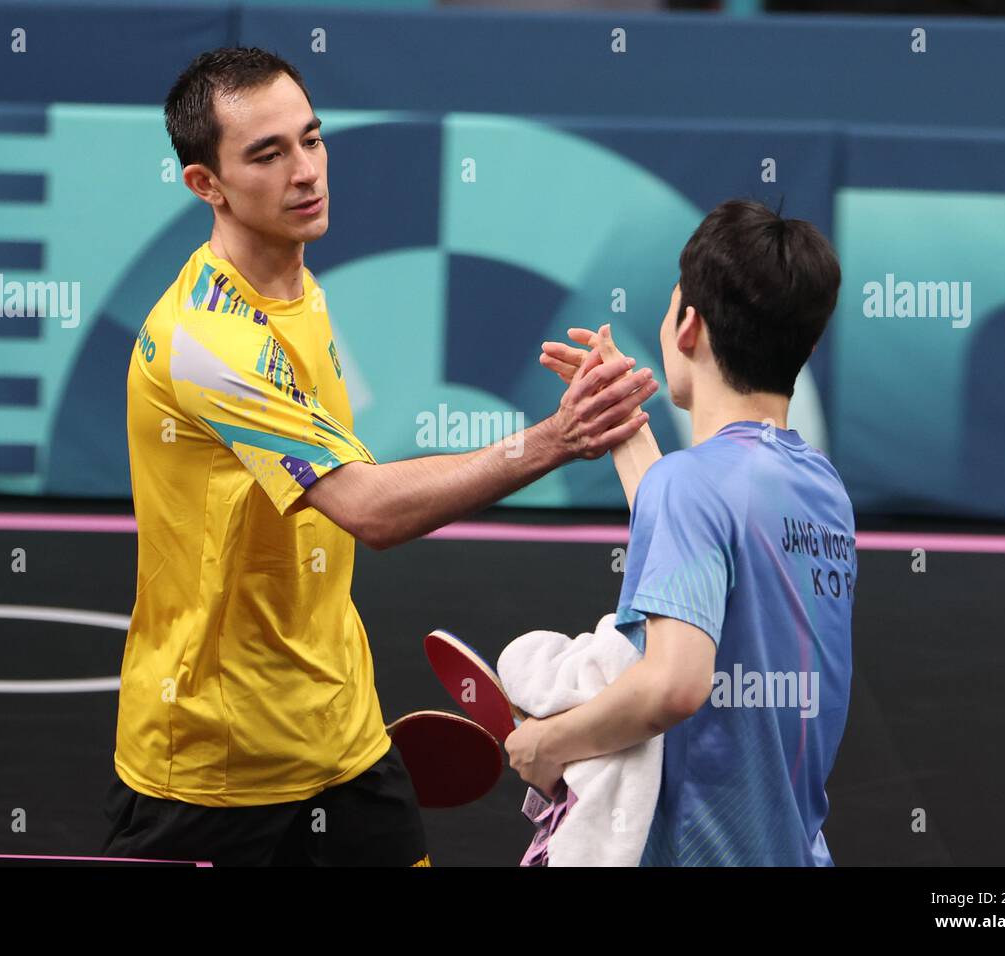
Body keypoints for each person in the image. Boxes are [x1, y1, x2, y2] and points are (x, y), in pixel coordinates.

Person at [101, 47, 655, 866]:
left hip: (343, 735)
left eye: (311, 140)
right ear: (204, 186)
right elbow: (368, 509)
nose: (306, 171)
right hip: (214, 766)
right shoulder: (206, 341)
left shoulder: (297, 284)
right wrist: (555, 439)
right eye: (268, 154)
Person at [512, 198, 853, 866]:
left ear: (687, 327)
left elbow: (674, 686)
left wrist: (548, 745)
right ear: (807, 345)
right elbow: (694, 547)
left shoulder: (690, 486)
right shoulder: (822, 486)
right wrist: (627, 427)